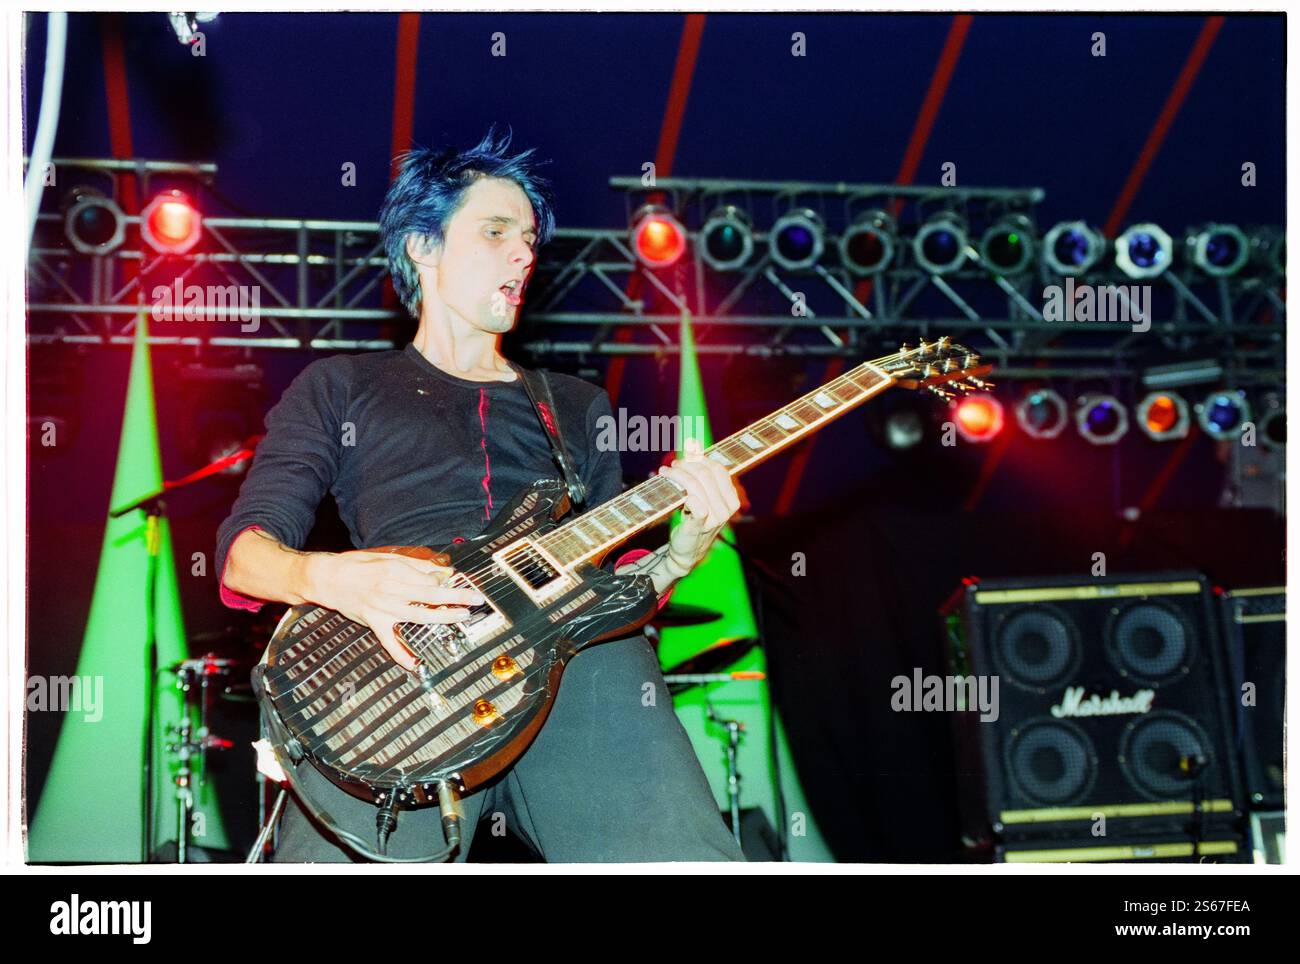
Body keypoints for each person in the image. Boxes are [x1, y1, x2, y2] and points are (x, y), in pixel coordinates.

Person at [215, 126, 745, 862]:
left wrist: (681, 555)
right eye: (496, 232)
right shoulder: (340, 387)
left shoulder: (578, 406)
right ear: (421, 248)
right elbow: (244, 560)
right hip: (391, 673)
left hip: (574, 669)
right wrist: (331, 577)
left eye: (528, 238)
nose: (524, 254)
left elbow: (608, 593)